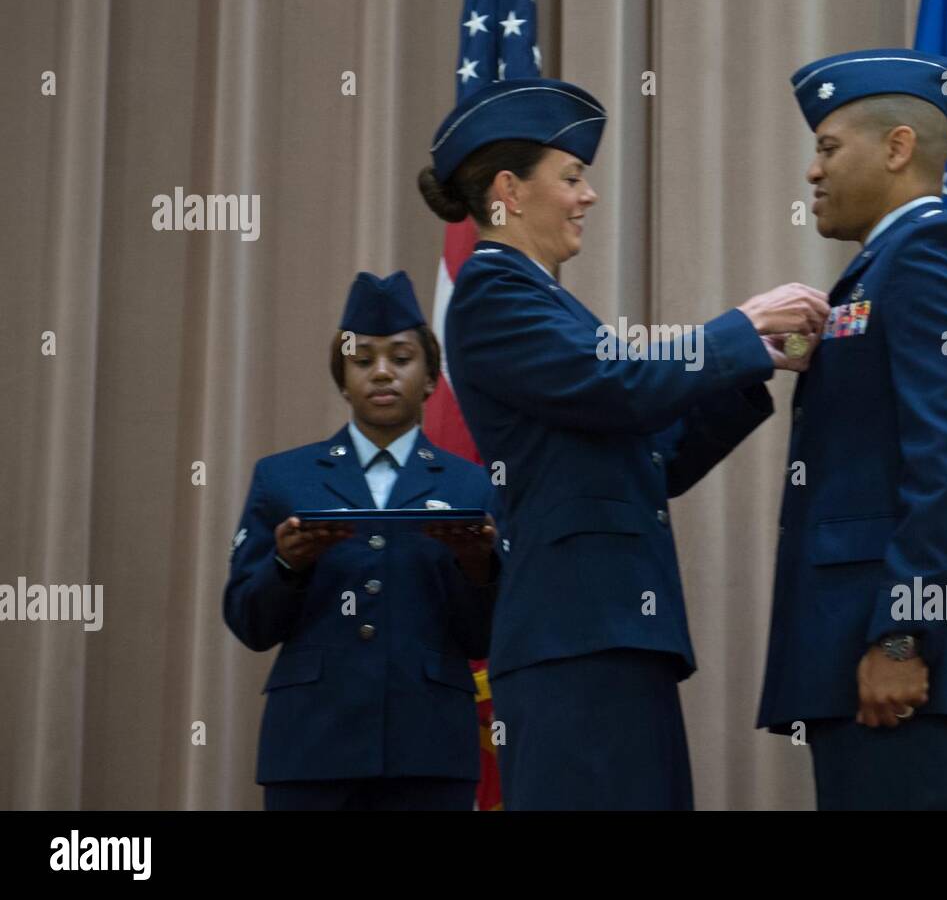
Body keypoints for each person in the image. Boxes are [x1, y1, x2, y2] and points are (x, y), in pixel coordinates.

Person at [418, 77, 829, 810]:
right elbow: (613, 382)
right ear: (509, 189)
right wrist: (741, 323)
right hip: (572, 635)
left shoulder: (545, 302)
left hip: (613, 632)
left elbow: (652, 453)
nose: (589, 196)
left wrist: (751, 368)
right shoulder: (492, 292)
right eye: (571, 176)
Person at [756, 49, 947, 809]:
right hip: (868, 656)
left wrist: (900, 635)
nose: (813, 173)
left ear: (896, 149)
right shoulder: (882, 270)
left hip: (912, 665)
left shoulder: (930, 257)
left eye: (827, 148)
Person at [223, 270, 500, 811]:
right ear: (342, 379)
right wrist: (286, 566)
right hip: (311, 749)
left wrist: (477, 566)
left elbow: (484, 638)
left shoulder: (472, 485)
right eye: (362, 359)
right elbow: (248, 623)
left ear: (429, 378)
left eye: (400, 358)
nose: (381, 373)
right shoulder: (284, 478)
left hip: (430, 751)